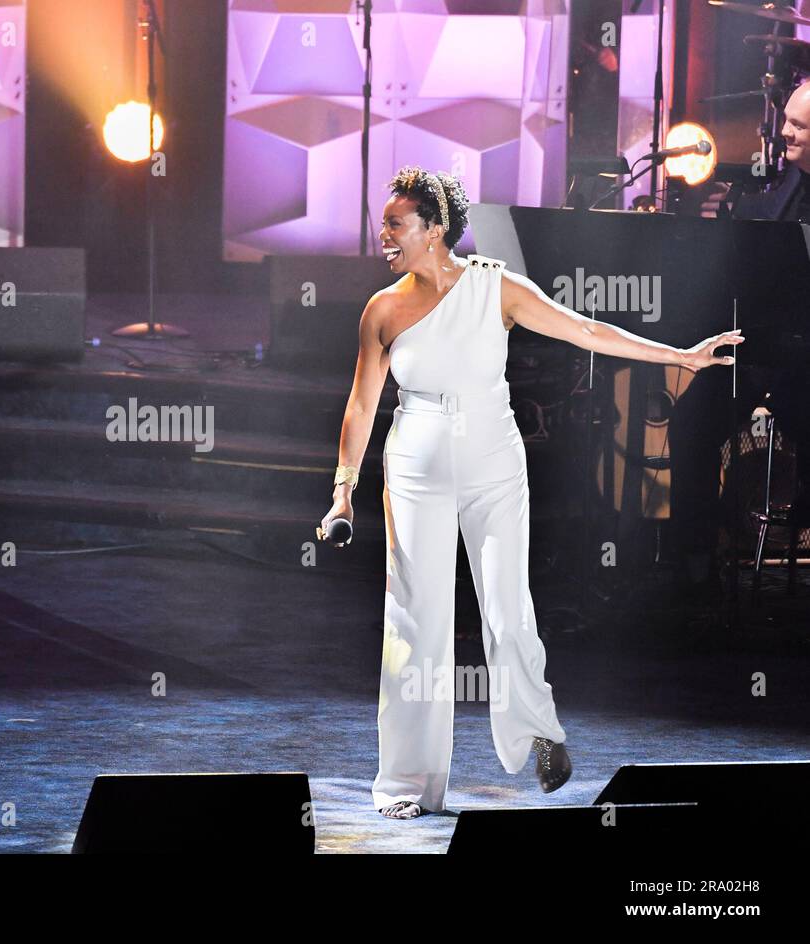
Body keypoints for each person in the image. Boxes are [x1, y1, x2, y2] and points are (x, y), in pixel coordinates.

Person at [320, 167, 743, 819]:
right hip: (414, 458)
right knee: (412, 618)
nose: (383, 233)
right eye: (383, 220)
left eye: (396, 222)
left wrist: (681, 356)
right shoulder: (381, 310)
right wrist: (343, 490)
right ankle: (407, 781)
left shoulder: (496, 288)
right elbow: (360, 404)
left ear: (435, 229)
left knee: (506, 605)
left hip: (491, 450)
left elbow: (587, 331)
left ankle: (539, 734)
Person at [671, 80, 810, 591]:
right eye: (787, 121)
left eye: (798, 125)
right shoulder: (778, 189)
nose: (784, 132)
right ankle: (694, 565)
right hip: (764, 353)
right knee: (692, 421)